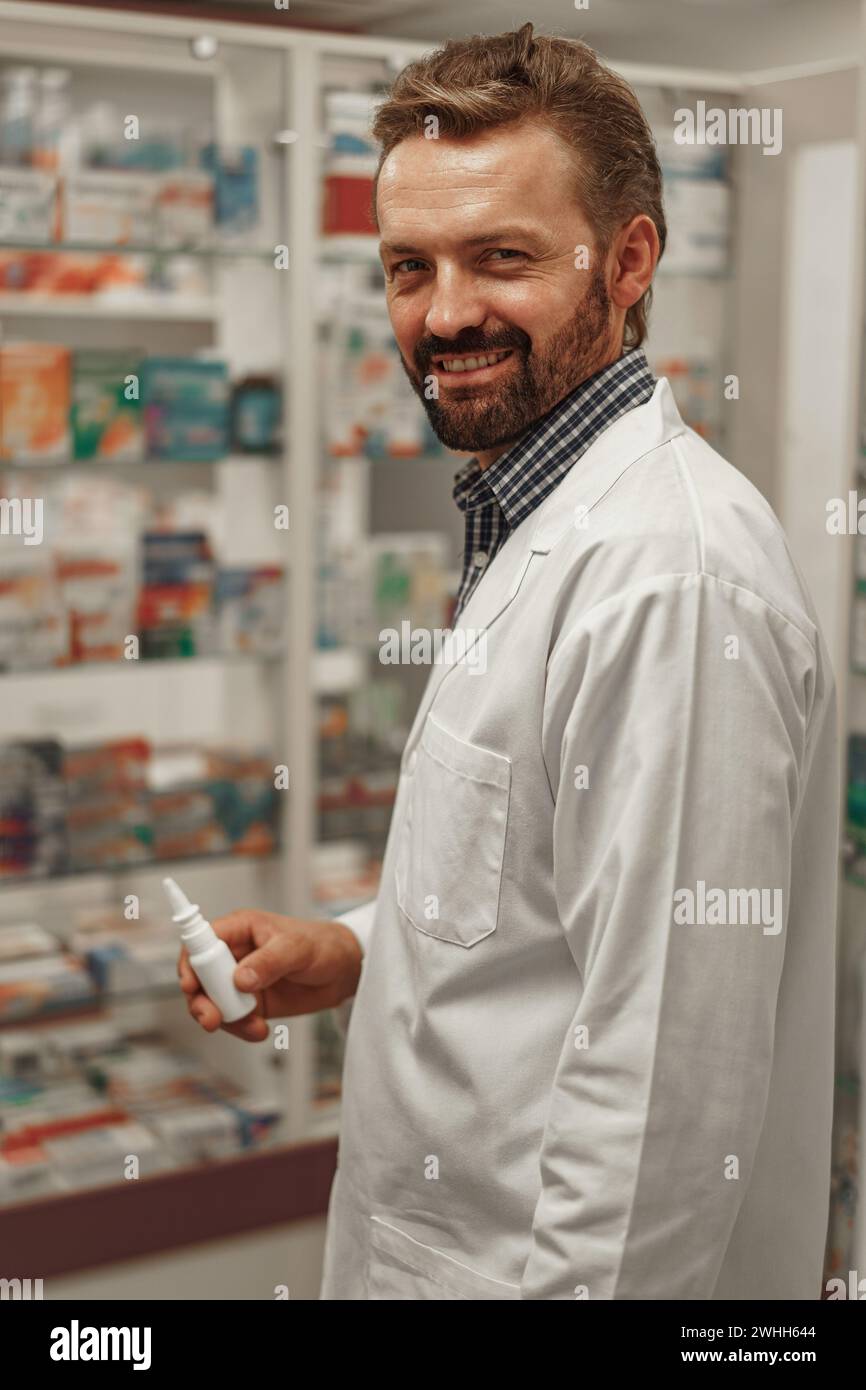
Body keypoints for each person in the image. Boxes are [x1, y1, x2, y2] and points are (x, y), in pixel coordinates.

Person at [179, 23, 838, 1300]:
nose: (444, 314)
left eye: (501, 258)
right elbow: (550, 889)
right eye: (406, 267)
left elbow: (656, 1105)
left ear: (628, 259)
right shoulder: (531, 506)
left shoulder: (667, 576)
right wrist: (364, 950)